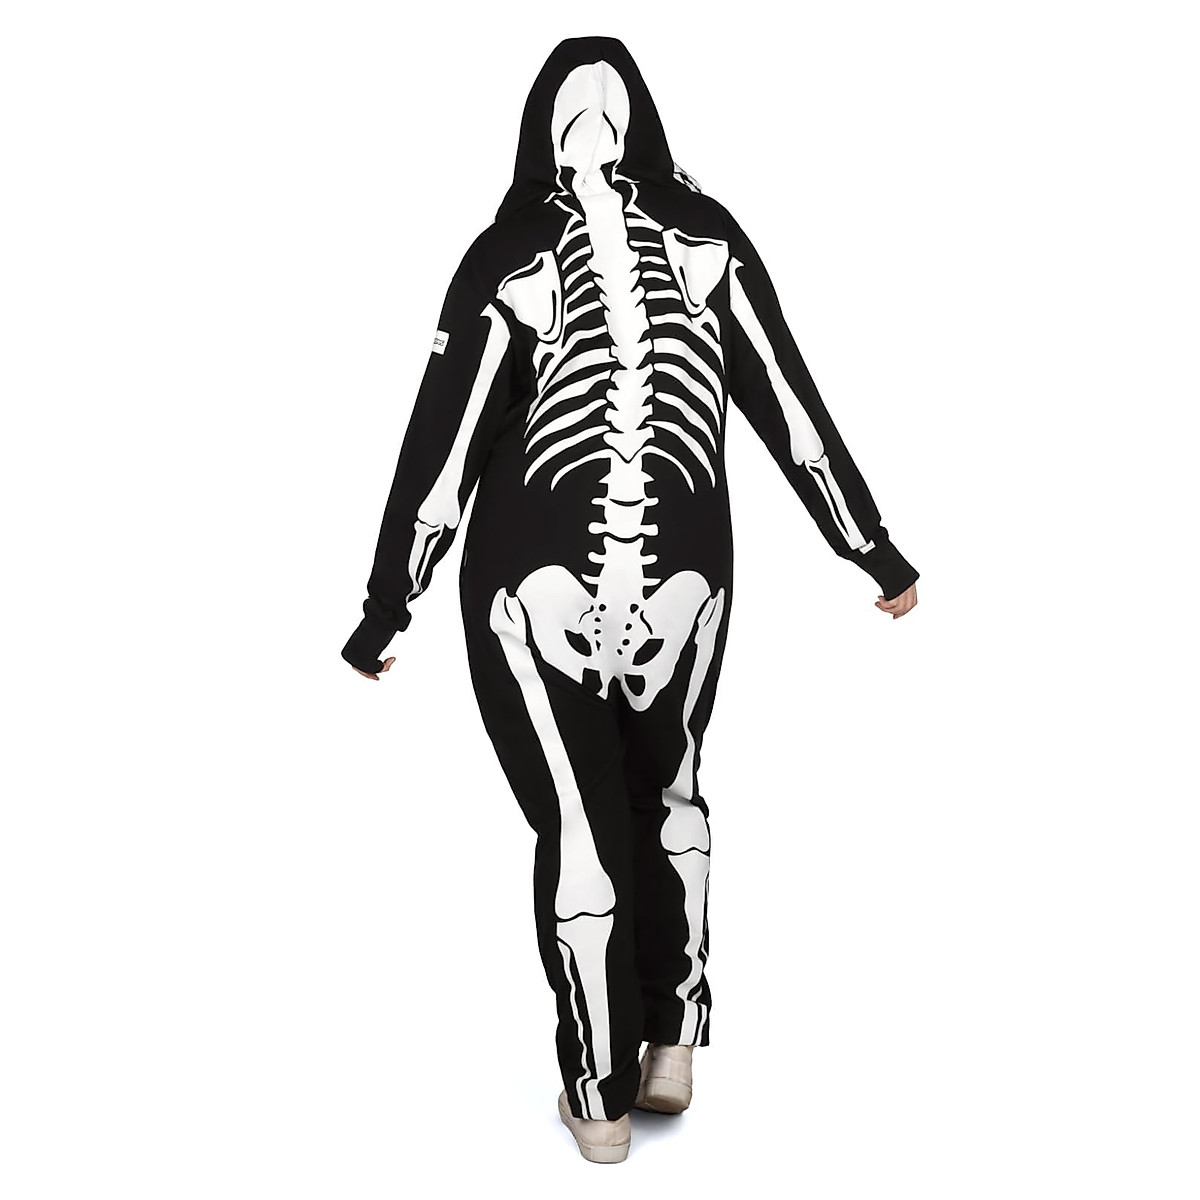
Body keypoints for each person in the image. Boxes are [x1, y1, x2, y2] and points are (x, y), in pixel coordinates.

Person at [341, 35, 919, 1164]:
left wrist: (385, 607)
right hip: (684, 575)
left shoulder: (509, 251)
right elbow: (787, 401)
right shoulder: (704, 234)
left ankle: (597, 1097)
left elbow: (444, 445)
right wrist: (873, 553)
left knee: (584, 824)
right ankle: (671, 1047)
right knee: (671, 799)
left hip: (532, 578)